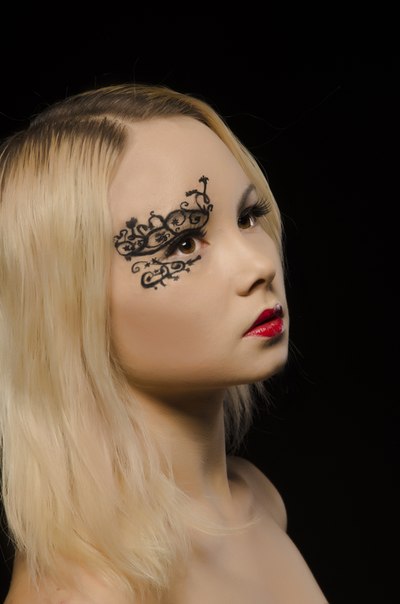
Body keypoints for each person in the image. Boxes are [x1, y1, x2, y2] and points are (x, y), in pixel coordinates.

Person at [0, 83, 328, 603]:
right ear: (70, 303)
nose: (259, 266)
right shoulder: (87, 592)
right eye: (183, 242)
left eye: (248, 217)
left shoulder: (260, 503)